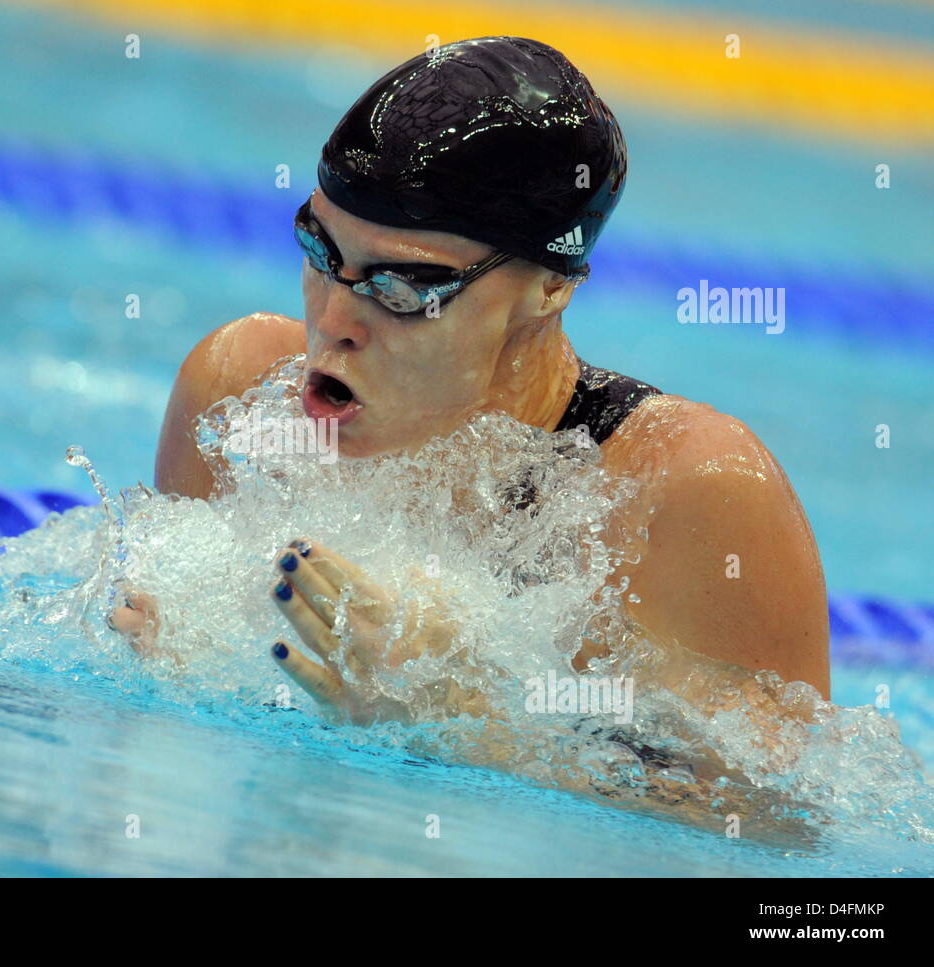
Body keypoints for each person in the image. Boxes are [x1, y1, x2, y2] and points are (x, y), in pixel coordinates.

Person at [114, 36, 830, 729]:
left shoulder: (682, 492)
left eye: (403, 286)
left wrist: (470, 725)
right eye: (319, 250)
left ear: (549, 287)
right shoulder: (236, 392)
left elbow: (780, 821)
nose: (334, 321)